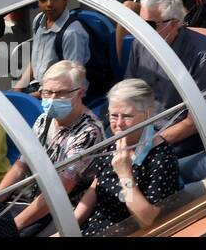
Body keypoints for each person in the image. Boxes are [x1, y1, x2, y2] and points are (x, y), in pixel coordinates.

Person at [0, 60, 105, 236]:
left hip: (63, 207)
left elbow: (60, 191)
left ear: (80, 93)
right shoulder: (43, 120)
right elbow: (21, 165)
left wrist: (14, 226)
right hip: (33, 196)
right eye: (47, 92)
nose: (52, 99)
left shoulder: (88, 132)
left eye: (61, 93)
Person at [123, 0, 206, 158]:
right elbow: (129, 93)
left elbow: (195, 120)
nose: (141, 31)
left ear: (174, 24)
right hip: (140, 126)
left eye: (150, 25)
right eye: (139, 23)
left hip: (178, 138)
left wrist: (150, 143)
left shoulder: (203, 52)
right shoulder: (138, 44)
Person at [75, 79, 180, 235]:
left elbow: (147, 220)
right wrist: (70, 224)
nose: (118, 124)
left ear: (148, 114)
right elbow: (95, 187)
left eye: (126, 116)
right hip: (94, 226)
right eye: (113, 115)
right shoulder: (114, 142)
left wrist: (125, 174)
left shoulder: (161, 158)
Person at [15, 0, 90, 91]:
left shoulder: (72, 33)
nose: (49, 4)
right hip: (38, 86)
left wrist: (37, 95)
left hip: (62, 92)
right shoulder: (38, 20)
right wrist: (19, 86)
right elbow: (35, 60)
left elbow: (73, 78)